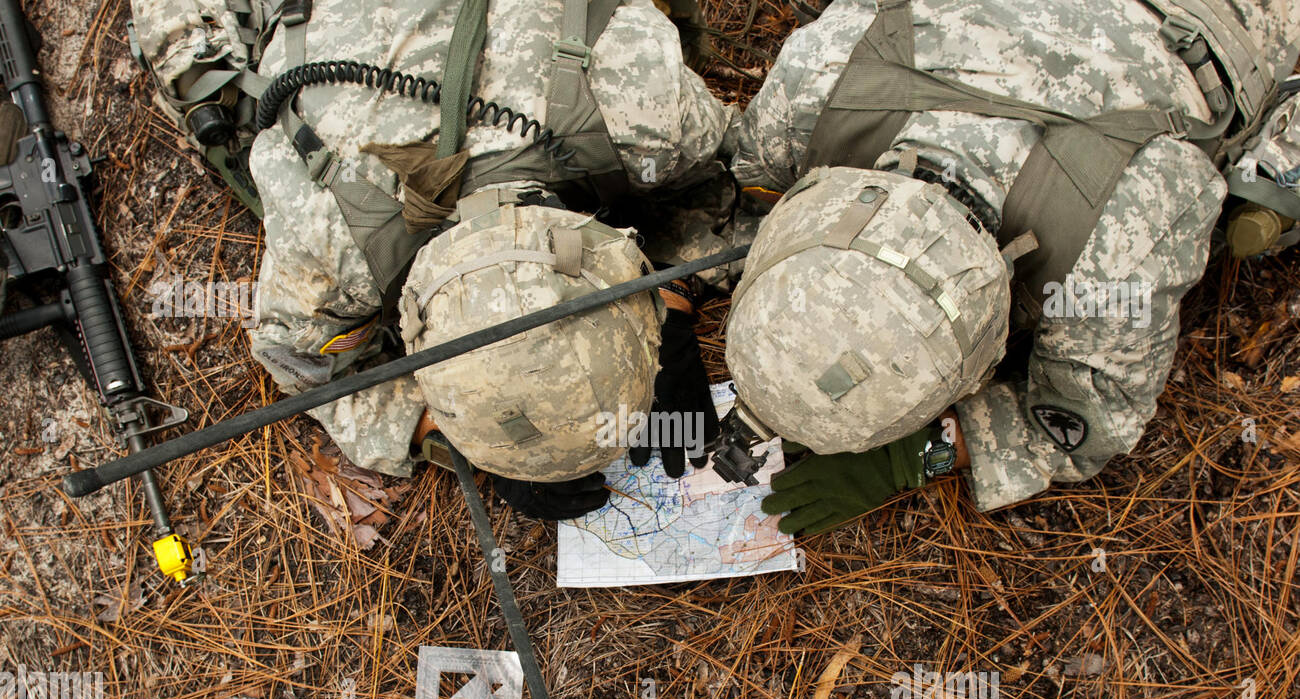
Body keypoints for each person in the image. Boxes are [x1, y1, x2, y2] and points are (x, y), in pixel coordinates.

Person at [129, 0, 735, 517]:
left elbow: (723, 189)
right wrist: (457, 434)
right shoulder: (329, 248)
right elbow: (307, 368)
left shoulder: (647, 109)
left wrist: (673, 303)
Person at [717, 0, 1300, 535]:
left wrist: (917, 453)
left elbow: (1085, 416)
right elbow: (740, 190)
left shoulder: (1116, 252)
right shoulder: (819, 85)